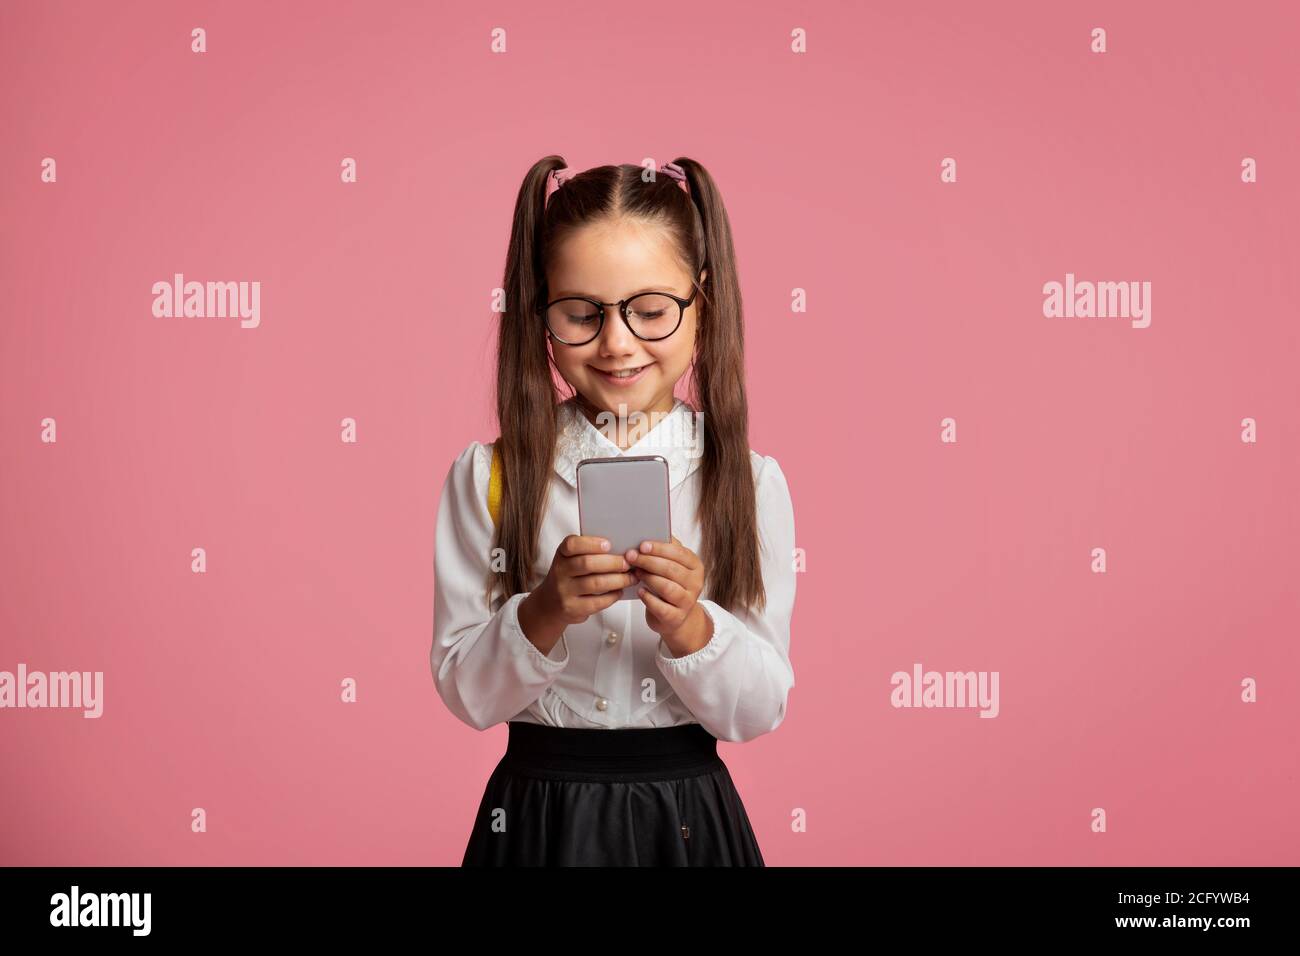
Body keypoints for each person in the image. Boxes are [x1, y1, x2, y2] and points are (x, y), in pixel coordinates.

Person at [431, 156, 796, 865]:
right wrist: (544, 611)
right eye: (581, 313)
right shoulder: (490, 477)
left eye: (651, 310)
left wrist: (691, 626)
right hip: (539, 816)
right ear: (540, 310)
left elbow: (759, 709)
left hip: (687, 819)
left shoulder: (747, 483)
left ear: (704, 303)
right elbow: (468, 695)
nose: (617, 342)